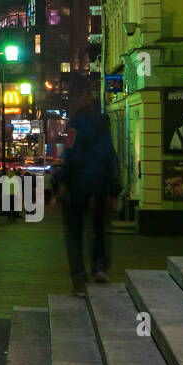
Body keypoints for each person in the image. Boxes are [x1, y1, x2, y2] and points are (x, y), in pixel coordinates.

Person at [56, 110, 120, 295]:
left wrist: (64, 181)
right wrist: (114, 191)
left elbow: (71, 155)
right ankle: (100, 266)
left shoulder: (74, 128)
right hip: (101, 186)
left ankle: (79, 280)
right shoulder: (104, 130)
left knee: (73, 234)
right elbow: (111, 158)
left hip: (77, 187)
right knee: (100, 227)